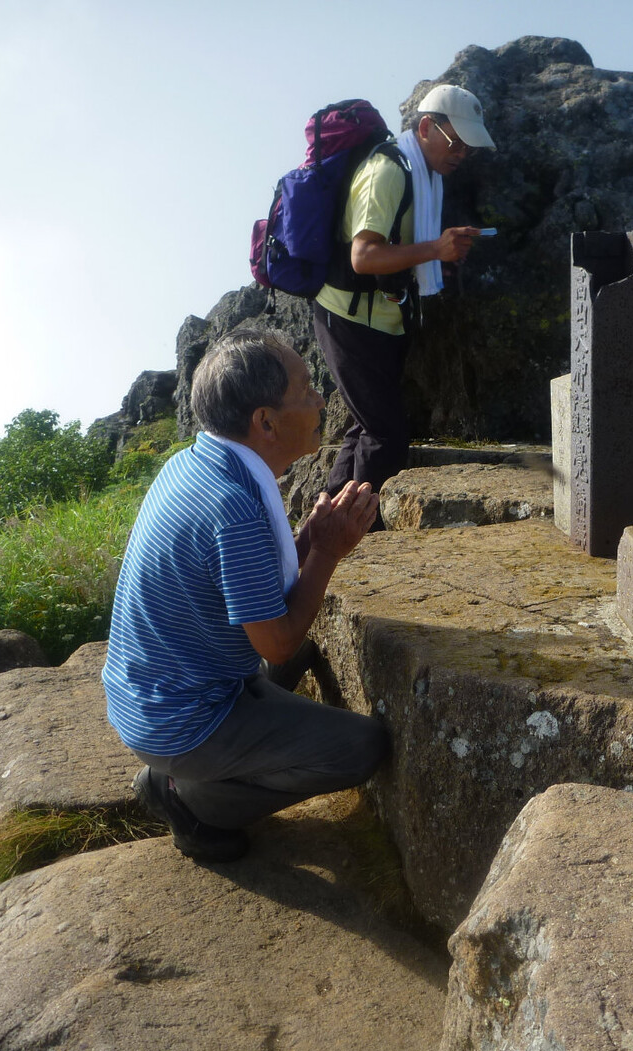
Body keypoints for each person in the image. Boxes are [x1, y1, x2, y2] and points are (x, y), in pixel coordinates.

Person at [103, 329, 386, 861]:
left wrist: (307, 536)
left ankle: (181, 771)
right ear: (265, 422)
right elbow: (275, 643)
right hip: (179, 719)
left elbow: (241, 576)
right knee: (362, 748)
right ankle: (188, 800)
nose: (320, 399)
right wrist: (326, 551)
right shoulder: (233, 507)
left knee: (303, 652)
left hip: (146, 693)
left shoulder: (195, 464)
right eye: (305, 390)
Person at [314, 83, 496, 501]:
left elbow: (398, 247)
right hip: (349, 317)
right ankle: (362, 534)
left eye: (470, 147)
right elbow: (364, 256)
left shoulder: (423, 174)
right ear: (427, 127)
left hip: (383, 318)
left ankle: (330, 523)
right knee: (386, 434)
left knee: (367, 427)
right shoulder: (388, 171)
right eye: (458, 141)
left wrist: (439, 254)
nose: (462, 153)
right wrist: (435, 248)